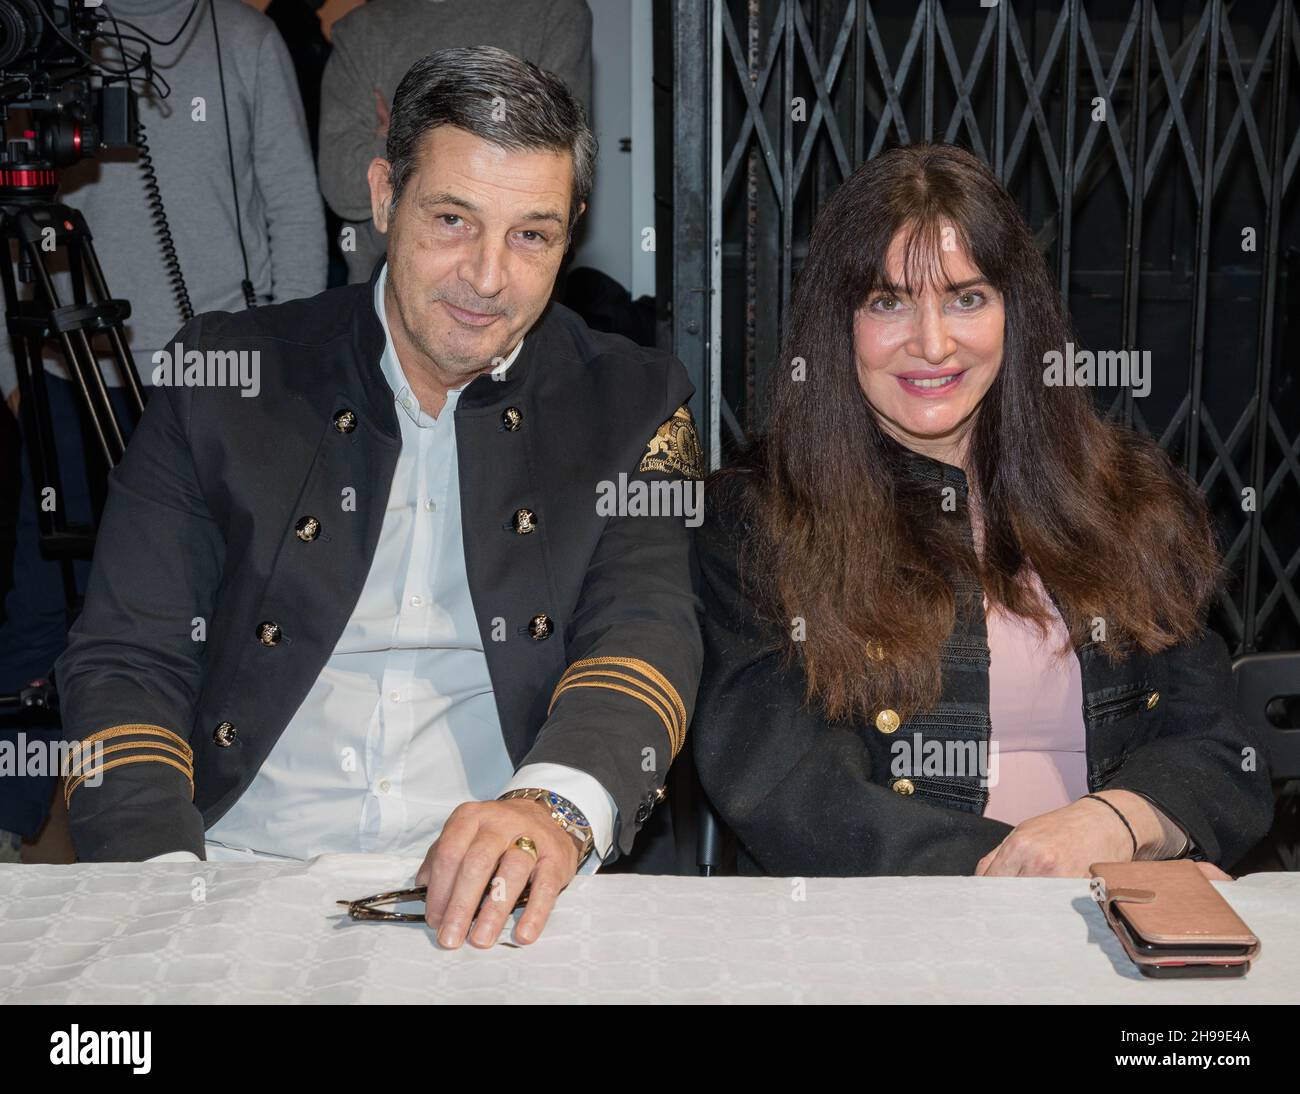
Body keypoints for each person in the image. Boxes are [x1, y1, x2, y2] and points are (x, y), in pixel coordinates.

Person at [54, 46, 703, 948]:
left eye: (532, 235)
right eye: (451, 219)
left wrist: (548, 808)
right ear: (383, 196)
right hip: (230, 868)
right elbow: (128, 657)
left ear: (572, 233)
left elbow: (647, 634)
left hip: (519, 894)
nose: (486, 276)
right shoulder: (223, 377)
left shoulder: (634, 401)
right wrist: (164, 889)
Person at [693, 143, 1273, 878]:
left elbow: (1223, 751)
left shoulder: (1127, 496)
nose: (933, 344)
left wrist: (1112, 828)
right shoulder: (757, 521)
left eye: (967, 297)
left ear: (1014, 313)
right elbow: (799, 800)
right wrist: (1043, 877)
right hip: (895, 945)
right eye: (888, 301)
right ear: (838, 327)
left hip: (1121, 921)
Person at [0, 0, 325, 855]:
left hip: (221, 373)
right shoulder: (47, 39)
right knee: (40, 608)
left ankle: (215, 808)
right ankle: (14, 824)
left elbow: (291, 202)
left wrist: (294, 358)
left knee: (221, 603)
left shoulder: (245, 39)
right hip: (74, 369)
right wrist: (10, 373)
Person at [318, 0, 592, 284]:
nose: (483, 281)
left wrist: (403, 133)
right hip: (378, 290)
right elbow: (343, 183)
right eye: (450, 218)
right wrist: (487, 127)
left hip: (517, 295)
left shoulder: (554, 12)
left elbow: (555, 170)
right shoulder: (362, 28)